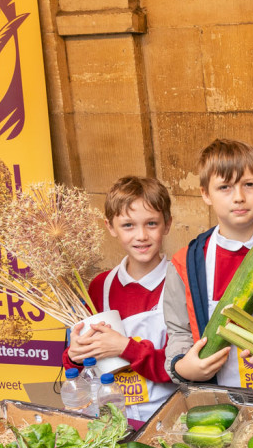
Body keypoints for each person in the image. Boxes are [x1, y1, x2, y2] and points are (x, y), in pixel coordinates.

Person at [163, 139, 253, 392]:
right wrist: (182, 367)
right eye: (225, 187)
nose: (239, 197)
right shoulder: (185, 263)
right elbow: (179, 331)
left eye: (249, 185)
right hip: (220, 398)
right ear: (205, 194)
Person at [64, 176, 177, 423]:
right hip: (113, 420)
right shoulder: (100, 286)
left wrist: (125, 348)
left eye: (151, 223)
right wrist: (74, 355)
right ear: (111, 227)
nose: (141, 235)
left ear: (167, 224)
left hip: (166, 417)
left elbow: (180, 367)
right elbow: (78, 368)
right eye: (128, 225)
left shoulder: (179, 282)